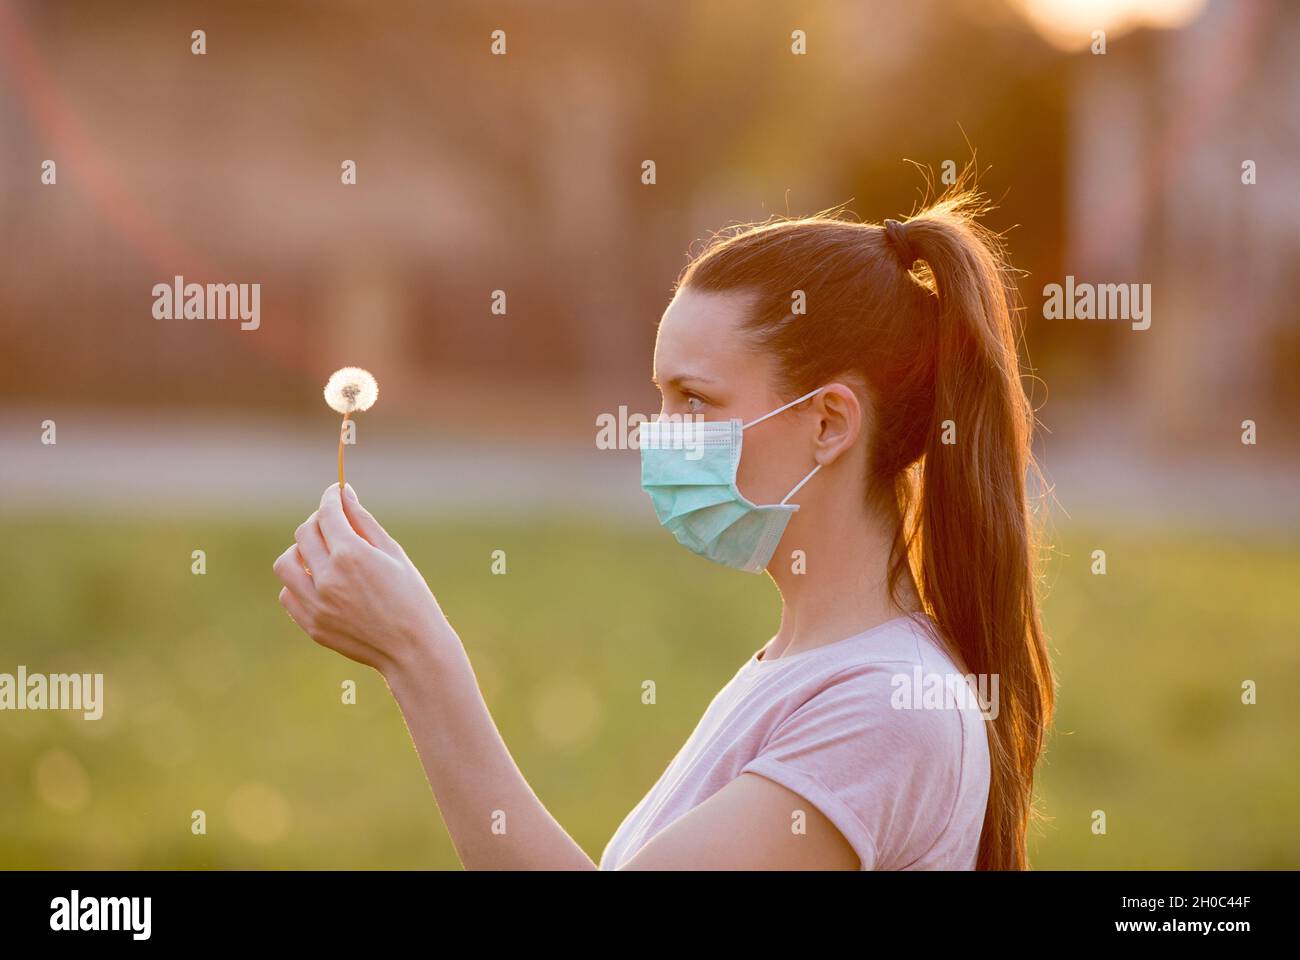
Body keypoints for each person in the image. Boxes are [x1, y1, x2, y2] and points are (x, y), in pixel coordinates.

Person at [272, 183, 1056, 870]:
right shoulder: (797, 666)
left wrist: (420, 657)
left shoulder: (888, 709)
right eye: (660, 398)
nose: (660, 433)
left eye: (695, 400)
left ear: (828, 423)